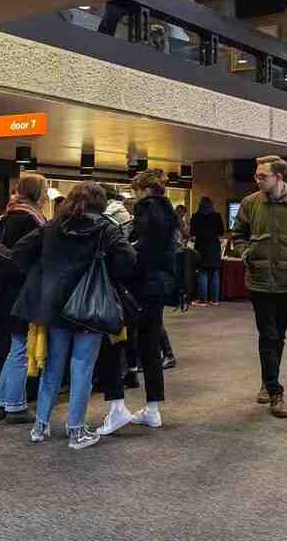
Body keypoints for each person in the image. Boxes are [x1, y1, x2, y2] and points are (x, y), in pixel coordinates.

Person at [10, 181, 136, 450]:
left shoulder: (52, 226)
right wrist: (105, 267)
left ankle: (40, 426)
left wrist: (42, 274)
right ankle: (76, 431)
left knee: (53, 368)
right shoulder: (105, 227)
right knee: (82, 368)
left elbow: (19, 251)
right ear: (100, 202)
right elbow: (128, 259)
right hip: (90, 307)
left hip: (54, 307)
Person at [231, 155, 287, 419]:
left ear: (279, 177)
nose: (257, 180)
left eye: (262, 176)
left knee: (278, 335)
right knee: (268, 335)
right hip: (259, 280)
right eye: (257, 175)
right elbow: (238, 236)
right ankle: (276, 391)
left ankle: (268, 381)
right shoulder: (250, 203)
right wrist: (246, 254)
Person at [96, 169, 179, 436]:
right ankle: (152, 409)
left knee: (115, 341)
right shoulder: (168, 211)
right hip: (158, 287)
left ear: (143, 189)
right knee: (150, 346)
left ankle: (116, 407)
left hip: (139, 287)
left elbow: (140, 252)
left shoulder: (146, 210)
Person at [0, 175, 47, 424]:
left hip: (1, 291)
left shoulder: (6, 217)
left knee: (14, 348)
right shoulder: (32, 221)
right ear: (36, 194)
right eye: (43, 190)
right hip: (21, 292)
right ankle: (15, 406)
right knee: (20, 347)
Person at [190, 196, 225, 306]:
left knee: (202, 272)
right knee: (215, 273)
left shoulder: (196, 216)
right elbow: (221, 232)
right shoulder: (216, 216)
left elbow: (192, 232)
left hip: (201, 246)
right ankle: (214, 300)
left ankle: (202, 300)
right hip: (214, 246)